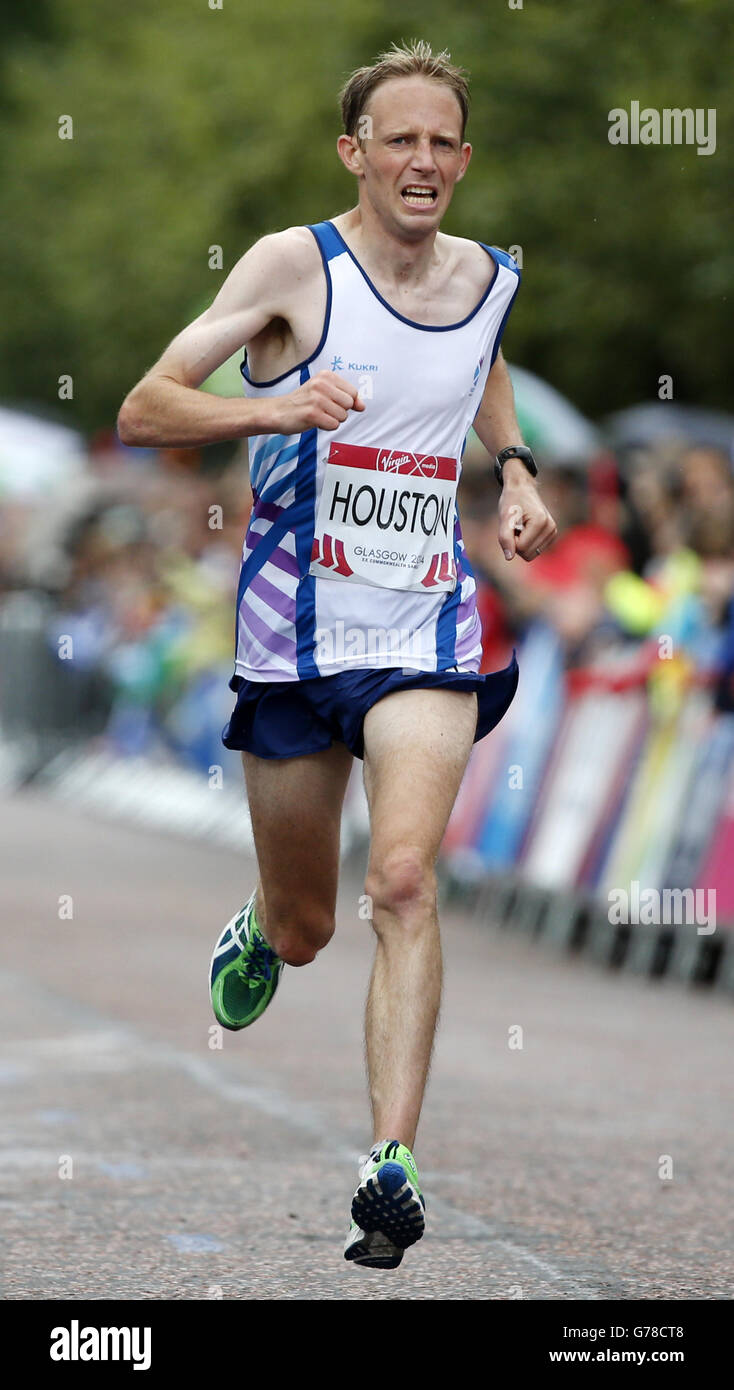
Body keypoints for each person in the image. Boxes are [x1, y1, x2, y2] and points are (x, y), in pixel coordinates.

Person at [118, 39, 556, 1271]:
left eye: (441, 143)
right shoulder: (289, 268)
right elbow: (145, 406)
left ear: (462, 161)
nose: (420, 161)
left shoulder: (484, 277)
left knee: (405, 879)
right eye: (396, 140)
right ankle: (262, 924)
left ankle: (389, 1163)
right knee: (312, 923)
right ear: (352, 153)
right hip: (293, 635)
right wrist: (271, 406)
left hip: (424, 623)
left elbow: (478, 366)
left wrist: (513, 470)